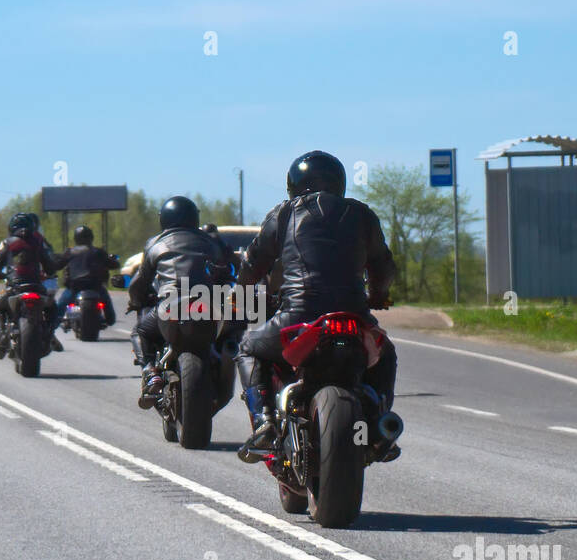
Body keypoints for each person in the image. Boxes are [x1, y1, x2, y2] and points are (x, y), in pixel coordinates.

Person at [235, 150, 400, 462]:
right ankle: (379, 426)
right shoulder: (362, 214)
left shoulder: (283, 213)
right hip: (354, 318)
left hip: (298, 317)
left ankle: (265, 423)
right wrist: (377, 295)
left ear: (294, 184)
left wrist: (241, 290)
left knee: (247, 346)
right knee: (386, 352)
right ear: (340, 182)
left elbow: (253, 261)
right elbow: (384, 266)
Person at [126, 196, 226, 407]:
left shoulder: (155, 243)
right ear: (194, 217)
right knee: (228, 336)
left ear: (164, 219)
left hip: (170, 304)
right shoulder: (211, 242)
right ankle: (220, 366)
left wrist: (135, 300)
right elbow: (226, 274)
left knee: (140, 331)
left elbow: (140, 281)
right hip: (208, 304)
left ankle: (150, 371)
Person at [0, 212, 61, 356]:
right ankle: (48, 334)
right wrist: (49, 273)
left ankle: (3, 337)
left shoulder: (7, 243)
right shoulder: (38, 243)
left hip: (14, 287)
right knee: (52, 307)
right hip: (36, 286)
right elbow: (50, 267)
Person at [54, 225, 121, 328]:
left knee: (60, 308)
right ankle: (109, 319)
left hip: (75, 287)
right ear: (91, 237)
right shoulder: (98, 252)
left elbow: (58, 265)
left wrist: (51, 263)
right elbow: (113, 265)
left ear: (76, 238)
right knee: (107, 303)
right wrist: (114, 262)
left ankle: (52, 326)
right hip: (94, 286)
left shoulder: (70, 252)